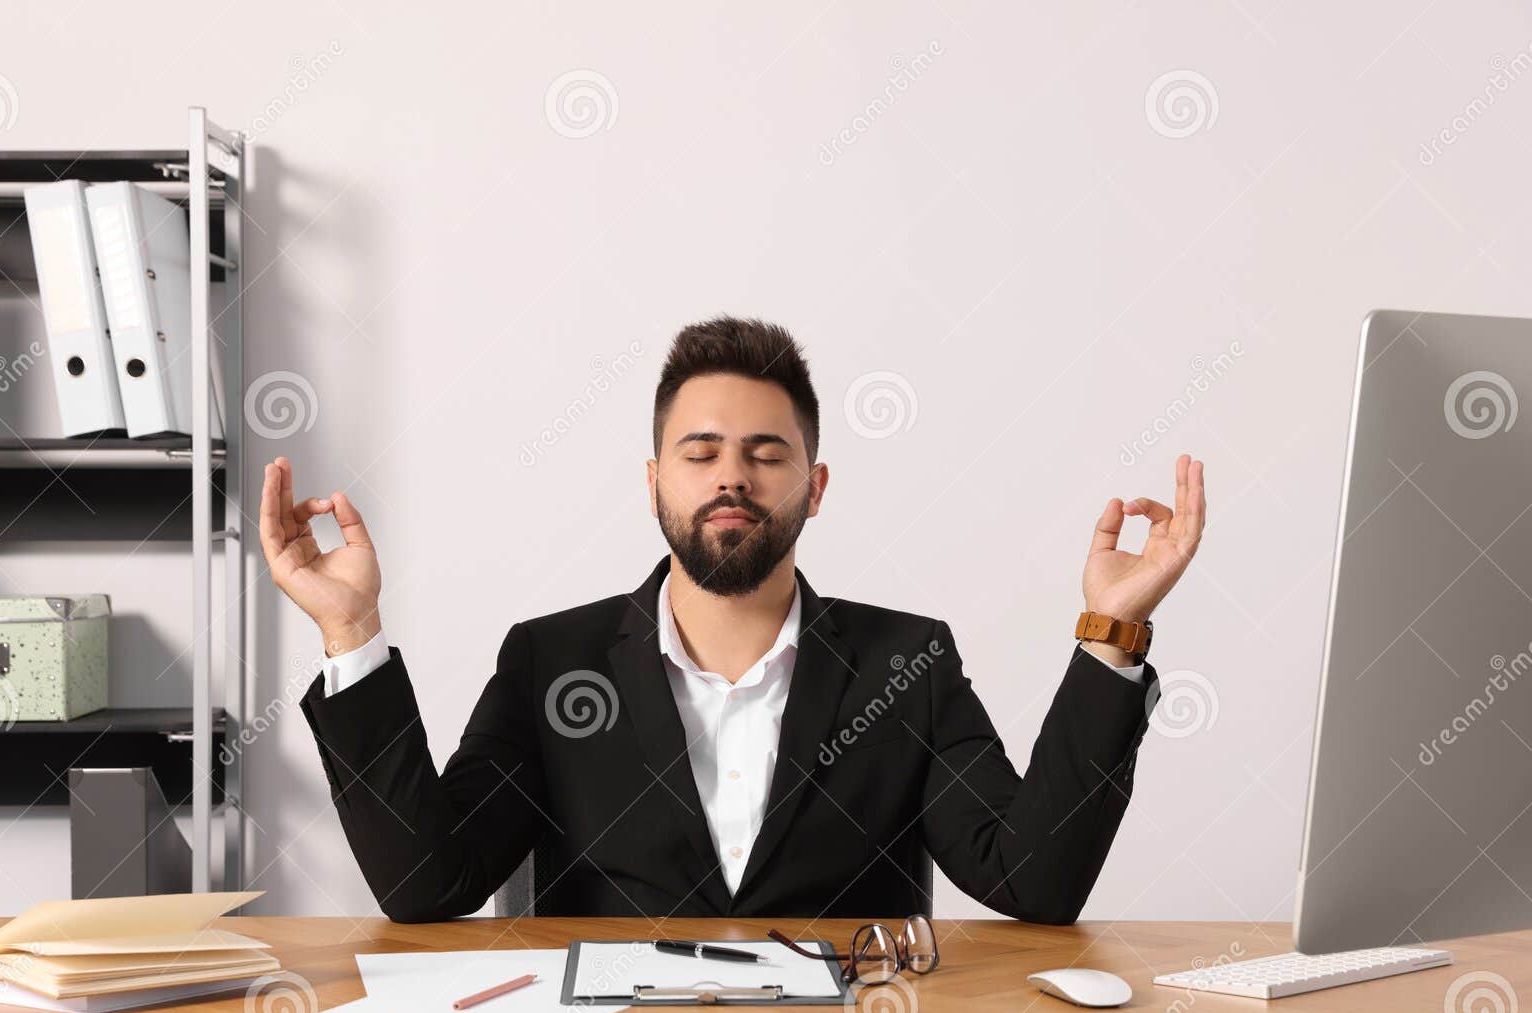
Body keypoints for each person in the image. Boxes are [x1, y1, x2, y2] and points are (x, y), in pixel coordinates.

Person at [265, 315, 1206, 921]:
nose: (731, 476)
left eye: (765, 453)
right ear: (653, 483)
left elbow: (1033, 881)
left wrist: (1110, 636)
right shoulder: (551, 663)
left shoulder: (907, 662)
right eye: (700, 451)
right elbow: (429, 885)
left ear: (815, 486)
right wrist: (352, 632)